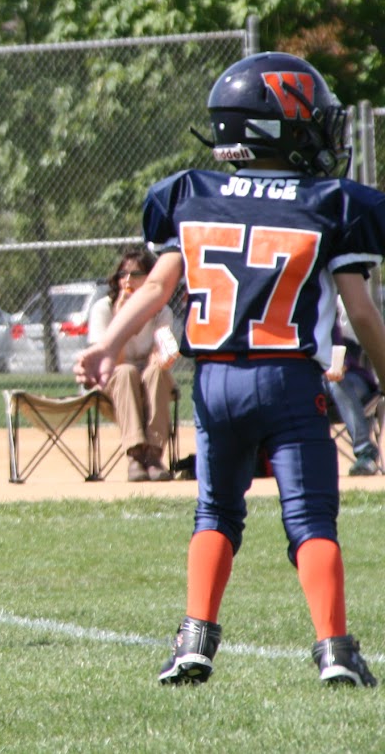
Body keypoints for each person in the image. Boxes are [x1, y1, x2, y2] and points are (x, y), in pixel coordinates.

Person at [74, 52, 385, 688]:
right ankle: (333, 649)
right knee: (310, 518)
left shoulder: (191, 193)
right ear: (279, 126)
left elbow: (159, 288)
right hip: (289, 380)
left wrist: (105, 344)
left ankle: (194, 641)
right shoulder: (330, 201)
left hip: (215, 381)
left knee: (215, 513)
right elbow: (361, 310)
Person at [87, 248, 178, 482]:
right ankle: (135, 456)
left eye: (135, 274)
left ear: (150, 278)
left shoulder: (161, 311)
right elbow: (109, 363)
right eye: (122, 275)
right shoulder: (103, 309)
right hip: (114, 386)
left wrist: (162, 356)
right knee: (126, 371)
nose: (126, 281)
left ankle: (154, 455)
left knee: (157, 371)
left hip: (149, 382)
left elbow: (161, 352)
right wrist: (121, 318)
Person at [324, 302, 379, 477]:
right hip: (320, 391)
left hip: (354, 382)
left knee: (337, 381)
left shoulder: (342, 311)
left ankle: (365, 452)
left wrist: (341, 365)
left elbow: (340, 349)